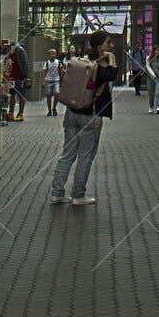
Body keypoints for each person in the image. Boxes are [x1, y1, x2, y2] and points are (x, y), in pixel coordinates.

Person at [49, 33, 118, 207]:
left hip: (71, 113)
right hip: (91, 115)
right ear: (100, 46)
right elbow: (112, 74)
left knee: (67, 155)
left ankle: (56, 193)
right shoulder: (99, 68)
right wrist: (111, 58)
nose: (112, 45)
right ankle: (78, 195)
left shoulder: (81, 63)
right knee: (85, 156)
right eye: (108, 43)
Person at [43, 48, 62, 116]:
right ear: (48, 55)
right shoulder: (47, 63)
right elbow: (44, 72)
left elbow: (60, 71)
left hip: (56, 80)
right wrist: (43, 81)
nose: (53, 55)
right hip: (48, 80)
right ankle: (49, 110)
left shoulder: (58, 62)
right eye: (51, 54)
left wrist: (61, 80)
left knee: (56, 94)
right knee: (49, 96)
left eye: (54, 53)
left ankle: (54, 108)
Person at [145, 44, 159, 113]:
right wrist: (153, 74)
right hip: (150, 78)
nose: (157, 52)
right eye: (156, 50)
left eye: (158, 50)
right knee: (151, 93)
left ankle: (158, 107)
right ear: (153, 51)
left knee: (157, 92)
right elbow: (148, 67)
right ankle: (151, 107)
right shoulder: (148, 58)